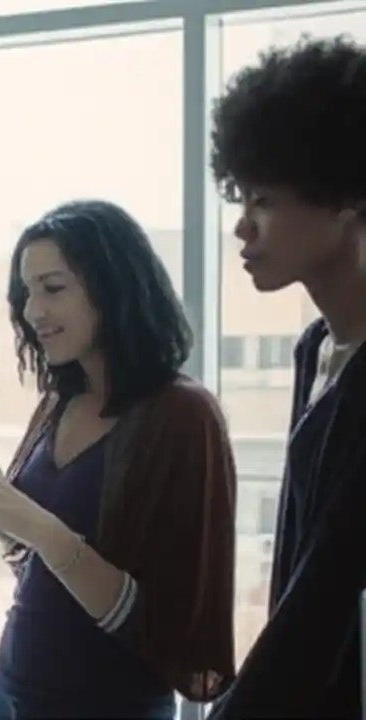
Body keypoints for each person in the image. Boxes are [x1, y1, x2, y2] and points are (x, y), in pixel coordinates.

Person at [0, 200, 237, 718]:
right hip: (10, 688)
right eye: (27, 293)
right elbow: (36, 561)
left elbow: (167, 623)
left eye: (53, 288)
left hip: (107, 703)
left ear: (113, 287)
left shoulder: (184, 416)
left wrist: (36, 524)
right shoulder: (60, 401)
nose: (33, 311)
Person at [206, 36, 366, 719]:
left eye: (264, 200)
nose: (242, 227)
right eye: (241, 197)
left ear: (344, 197)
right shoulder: (314, 349)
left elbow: (326, 592)